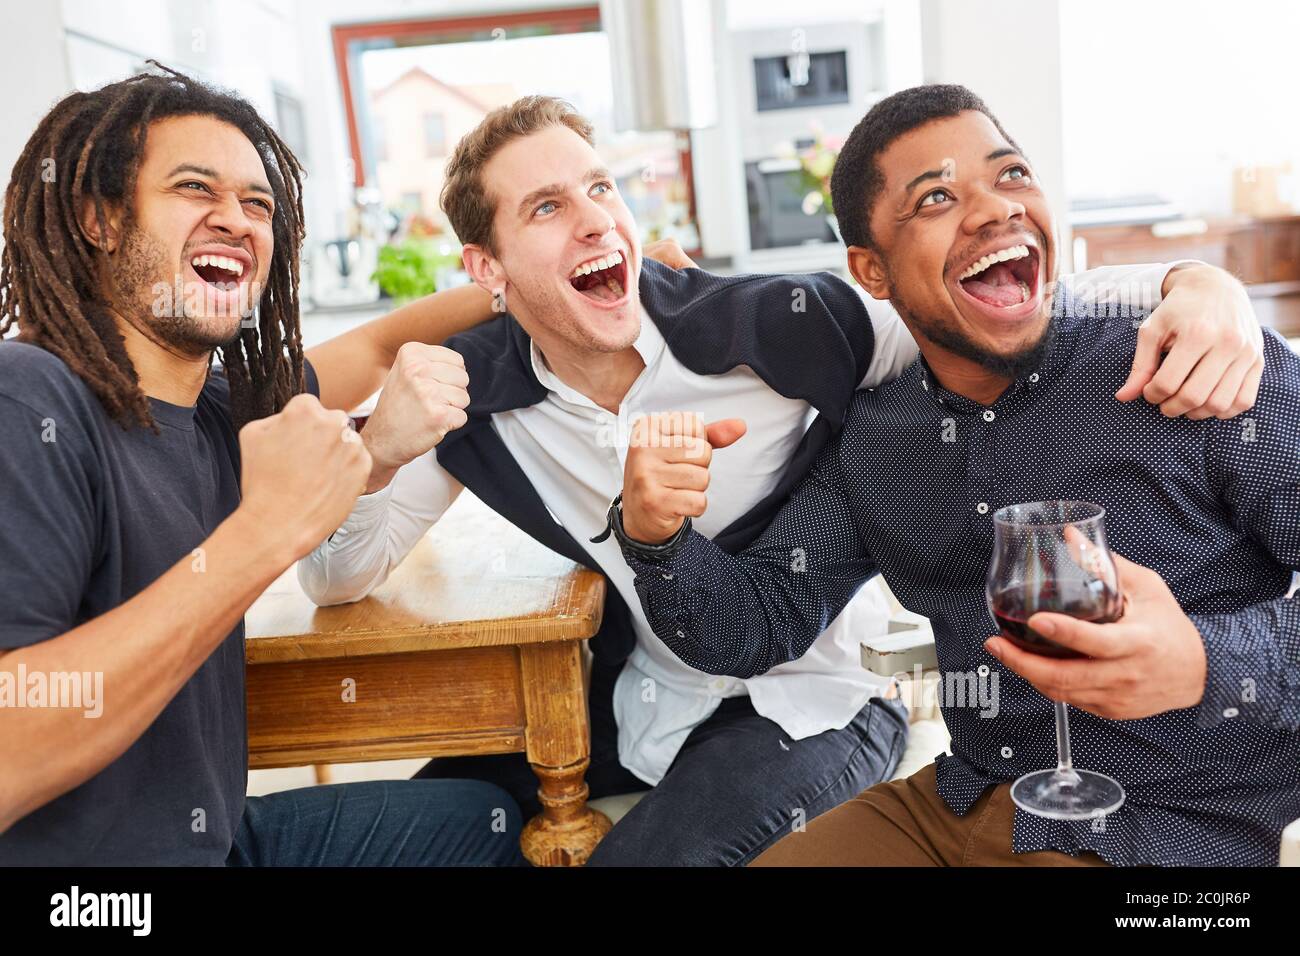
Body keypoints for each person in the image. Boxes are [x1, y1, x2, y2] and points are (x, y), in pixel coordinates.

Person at [300, 94, 1265, 866]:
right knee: (419, 827)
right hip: (656, 687)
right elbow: (337, 580)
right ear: (487, 268)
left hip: (815, 700)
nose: (595, 219)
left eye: (602, 189)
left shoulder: (781, 327)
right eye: (547, 207)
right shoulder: (475, 390)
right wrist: (377, 453)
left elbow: (1002, 314)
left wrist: (1199, 286)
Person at [612, 84, 1299, 867]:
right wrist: (655, 536)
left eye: (1011, 176)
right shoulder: (879, 437)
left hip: (1175, 822)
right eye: (937, 196)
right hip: (961, 800)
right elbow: (758, 623)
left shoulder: (1194, 366)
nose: (995, 208)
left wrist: (1207, 663)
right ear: (872, 270)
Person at [0, 67, 522, 866]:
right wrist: (265, 534)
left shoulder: (213, 406)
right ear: (100, 220)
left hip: (216, 846)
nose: (235, 221)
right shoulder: (28, 400)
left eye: (257, 204)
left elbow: (381, 345)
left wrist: (541, 282)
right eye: (192, 188)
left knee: (493, 818)